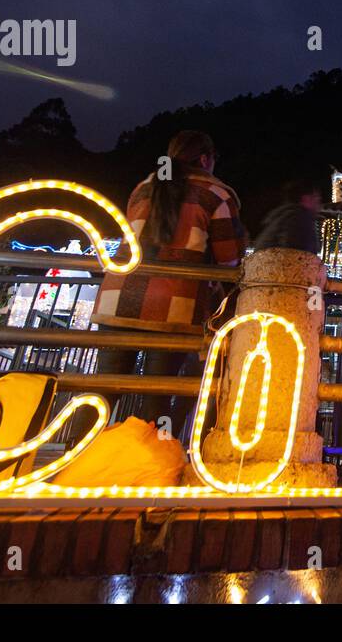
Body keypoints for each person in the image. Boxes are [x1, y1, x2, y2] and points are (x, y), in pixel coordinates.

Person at [91, 131, 247, 435]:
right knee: (157, 397)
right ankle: (148, 470)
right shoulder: (216, 193)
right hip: (174, 306)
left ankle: (76, 463)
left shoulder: (145, 186)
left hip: (117, 298)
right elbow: (230, 259)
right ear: (205, 159)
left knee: (100, 393)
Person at [252, 179, 321, 254]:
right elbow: (297, 256)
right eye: (316, 197)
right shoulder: (299, 217)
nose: (319, 201)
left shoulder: (283, 216)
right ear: (306, 198)